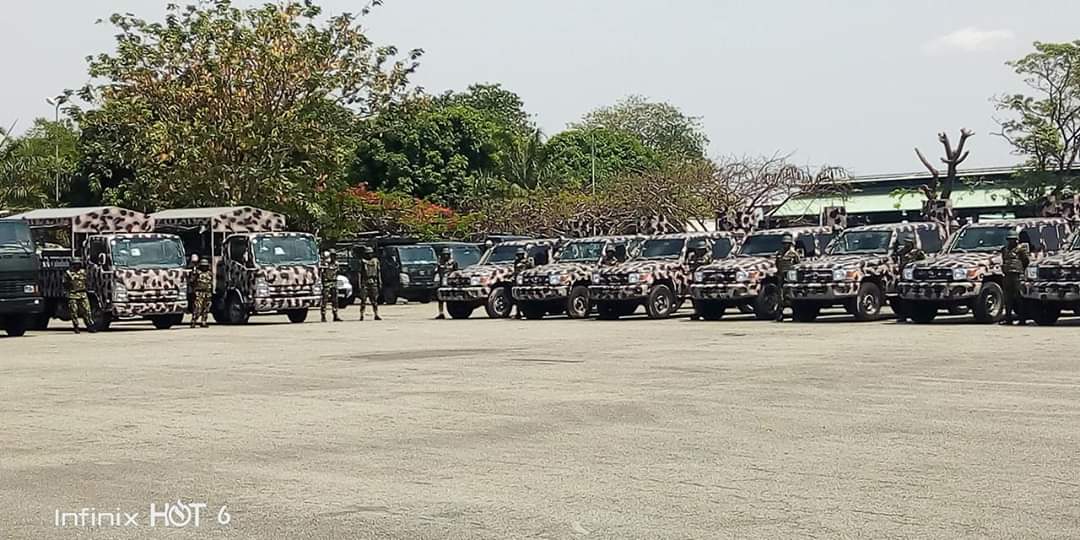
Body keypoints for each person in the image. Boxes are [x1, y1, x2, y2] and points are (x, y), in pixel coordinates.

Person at [1001, 229, 1031, 325]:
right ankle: (1008, 318)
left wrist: (1021, 270)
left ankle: (1022, 318)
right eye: (1009, 240)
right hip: (1007, 275)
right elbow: (1004, 260)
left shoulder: (1020, 249)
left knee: (1019, 298)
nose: (1011, 241)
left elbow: (1026, 261)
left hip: (1017, 276)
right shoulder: (1004, 249)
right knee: (1008, 299)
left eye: (1013, 239)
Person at [894, 237, 926, 324]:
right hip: (903, 277)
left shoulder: (918, 252)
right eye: (905, 243)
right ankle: (902, 316)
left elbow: (923, 263)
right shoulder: (902, 251)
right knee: (902, 299)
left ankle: (914, 315)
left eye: (908, 243)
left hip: (914, 279)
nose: (906, 244)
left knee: (912, 299)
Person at [774, 233, 801, 322]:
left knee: (790, 296)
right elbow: (777, 263)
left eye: (787, 243)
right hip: (781, 277)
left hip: (790, 278)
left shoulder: (794, 254)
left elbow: (798, 264)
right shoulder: (779, 253)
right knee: (780, 298)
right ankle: (779, 315)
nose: (785, 245)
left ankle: (795, 315)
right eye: (784, 243)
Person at [64, 259, 94, 334]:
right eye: (75, 264)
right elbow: (65, 283)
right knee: (74, 312)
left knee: (87, 311)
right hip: (73, 294)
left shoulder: (83, 272)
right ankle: (76, 326)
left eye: (78, 264)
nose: (77, 265)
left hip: (83, 294)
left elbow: (88, 281)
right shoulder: (68, 273)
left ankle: (90, 325)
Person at [687, 239, 713, 321]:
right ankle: (697, 311)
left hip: (706, 278)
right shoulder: (692, 255)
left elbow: (705, 263)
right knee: (695, 296)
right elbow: (689, 264)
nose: (699, 251)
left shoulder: (708, 255)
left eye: (701, 249)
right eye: (698, 249)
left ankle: (706, 312)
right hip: (695, 278)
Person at [358, 246, 382, 321]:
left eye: (370, 253)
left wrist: (379, 282)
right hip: (365, 282)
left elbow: (378, 272)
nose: (369, 255)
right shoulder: (362, 261)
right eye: (367, 253)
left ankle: (376, 314)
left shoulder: (376, 261)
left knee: (374, 300)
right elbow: (359, 273)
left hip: (373, 281)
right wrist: (360, 284)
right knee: (363, 300)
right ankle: (362, 315)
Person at [435, 248, 459, 320]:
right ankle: (441, 313)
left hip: (450, 283)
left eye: (447, 254)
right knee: (440, 299)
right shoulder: (440, 263)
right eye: (444, 254)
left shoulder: (453, 262)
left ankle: (455, 312)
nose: (445, 256)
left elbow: (456, 272)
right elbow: (437, 272)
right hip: (442, 282)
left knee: (452, 298)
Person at [511, 248, 534, 319]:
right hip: (517, 281)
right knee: (517, 299)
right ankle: (518, 313)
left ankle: (527, 312)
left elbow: (531, 269)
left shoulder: (527, 261)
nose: (520, 256)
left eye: (521, 254)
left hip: (525, 281)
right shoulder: (516, 262)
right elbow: (515, 271)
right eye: (519, 254)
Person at [190, 258, 213, 328]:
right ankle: (193, 321)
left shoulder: (209, 273)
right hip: (199, 293)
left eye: (206, 266)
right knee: (198, 307)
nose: (204, 267)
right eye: (203, 266)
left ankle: (204, 321)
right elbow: (191, 281)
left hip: (208, 293)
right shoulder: (197, 272)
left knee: (206, 308)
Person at [319, 251, 342, 323]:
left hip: (334, 282)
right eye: (332, 255)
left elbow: (338, 272)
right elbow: (321, 273)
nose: (334, 257)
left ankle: (335, 315)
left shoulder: (336, 264)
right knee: (325, 300)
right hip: (327, 283)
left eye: (335, 255)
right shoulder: (325, 264)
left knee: (335, 300)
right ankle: (323, 316)